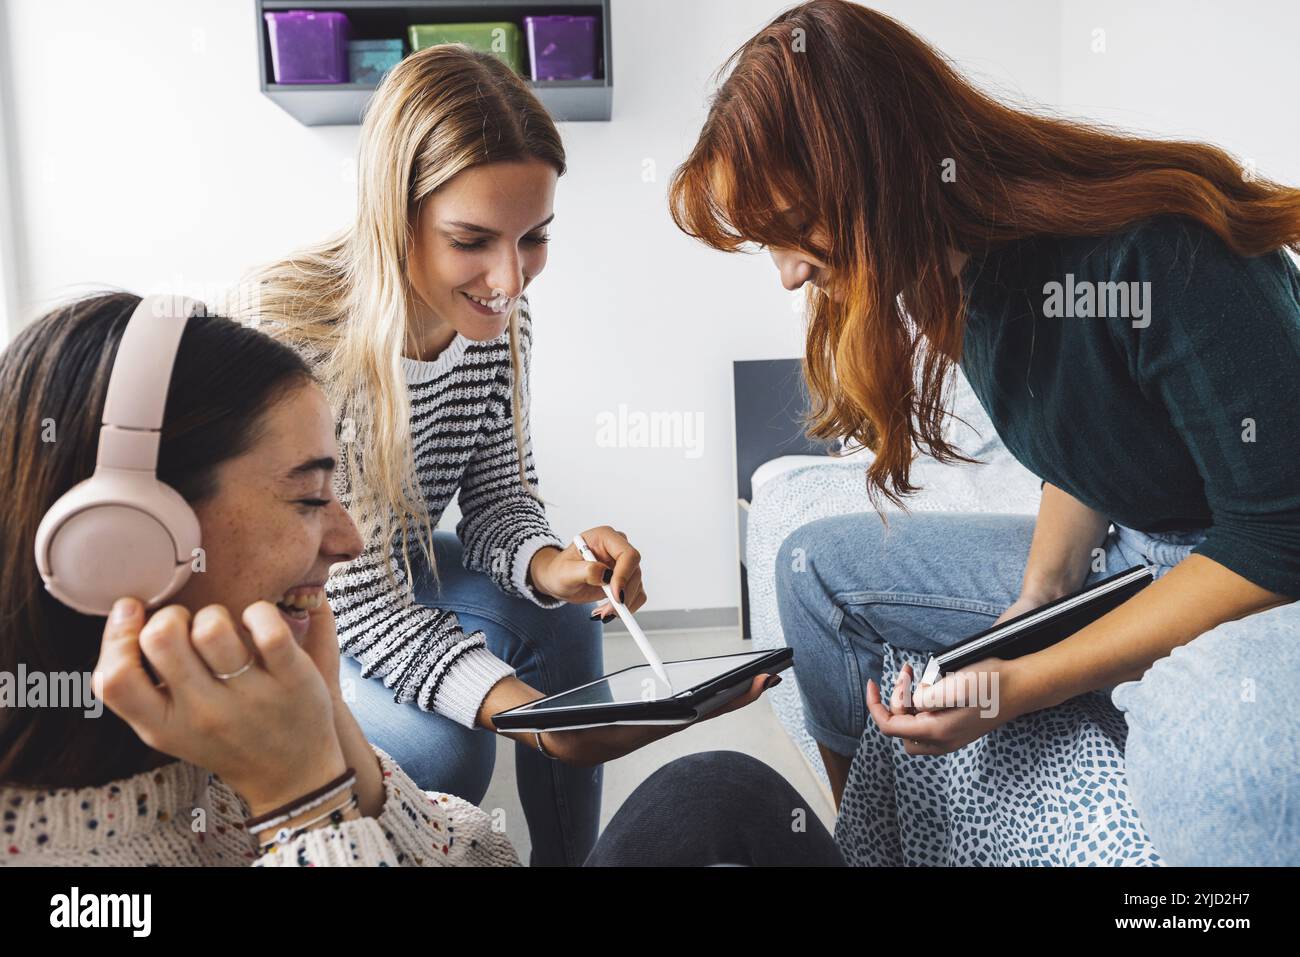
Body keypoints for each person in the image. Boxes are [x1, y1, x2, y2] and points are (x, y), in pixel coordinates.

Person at [668, 0, 1299, 864]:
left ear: (878, 174)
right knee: (809, 566)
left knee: (1222, 757)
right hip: (1128, 552)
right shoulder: (960, 272)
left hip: (1243, 567)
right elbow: (1087, 435)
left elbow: (1278, 540)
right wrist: (1039, 600)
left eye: (795, 229)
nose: (787, 274)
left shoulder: (1168, 251)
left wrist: (1021, 682)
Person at [0, 292, 842, 867]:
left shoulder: (227, 705)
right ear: (125, 543)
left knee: (720, 785)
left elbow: (480, 854)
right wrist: (304, 802)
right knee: (450, 743)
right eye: (305, 495)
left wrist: (340, 746)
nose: (347, 534)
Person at [239, 44, 640, 866]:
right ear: (398, 216)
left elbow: (498, 501)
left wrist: (552, 564)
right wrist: (533, 717)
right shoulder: (306, 346)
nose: (509, 278)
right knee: (451, 751)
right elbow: (358, 603)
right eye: (472, 240)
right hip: (298, 613)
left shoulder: (499, 321)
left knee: (563, 621)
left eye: (534, 237)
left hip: (399, 568)